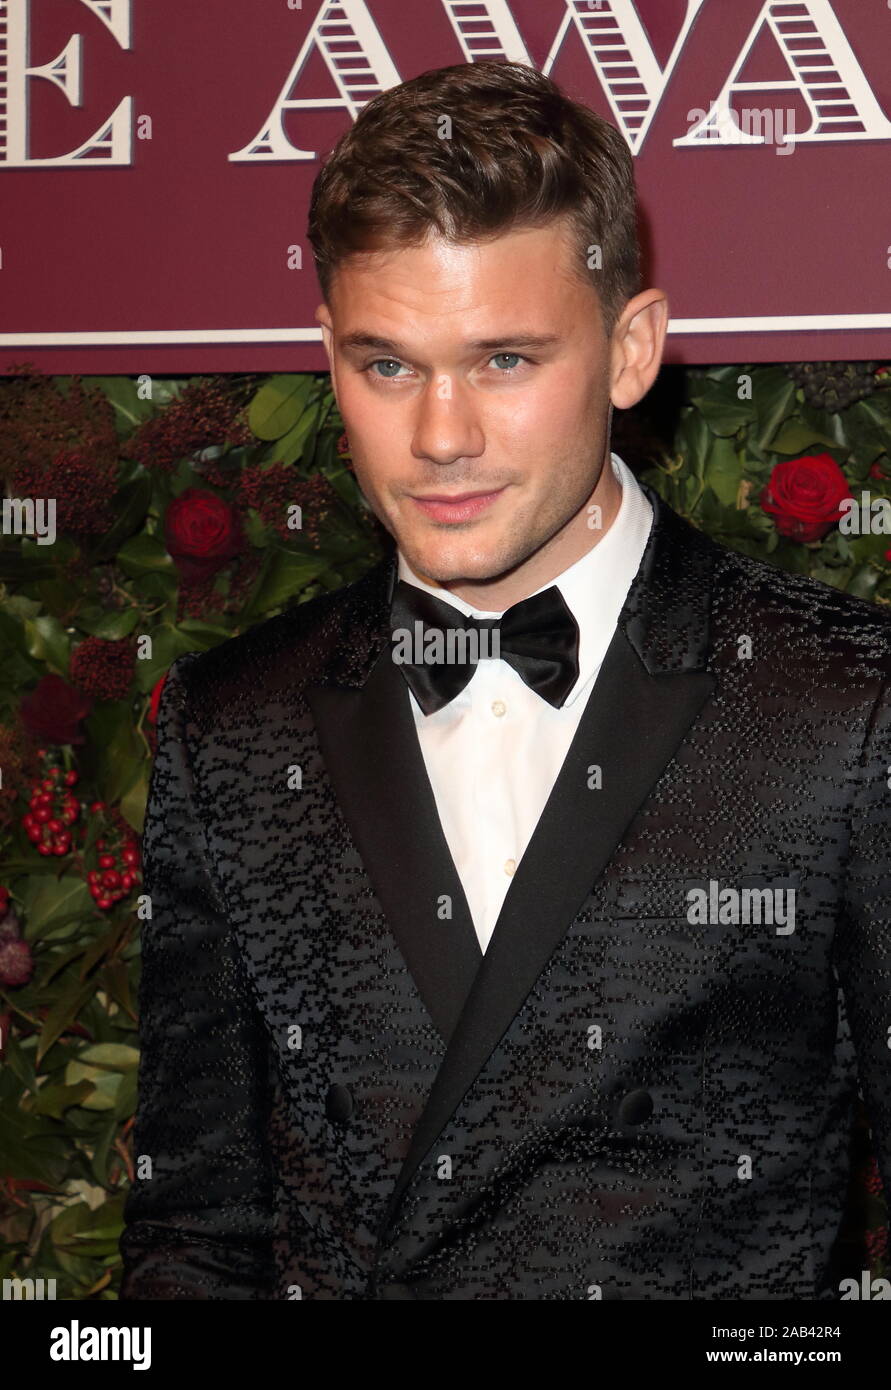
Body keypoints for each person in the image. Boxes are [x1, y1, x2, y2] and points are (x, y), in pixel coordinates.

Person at [119, 60, 891, 1301]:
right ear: (326, 355)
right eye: (387, 366)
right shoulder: (233, 724)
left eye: (507, 361)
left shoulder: (841, 707)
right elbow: (198, 1234)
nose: (441, 438)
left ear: (630, 349)